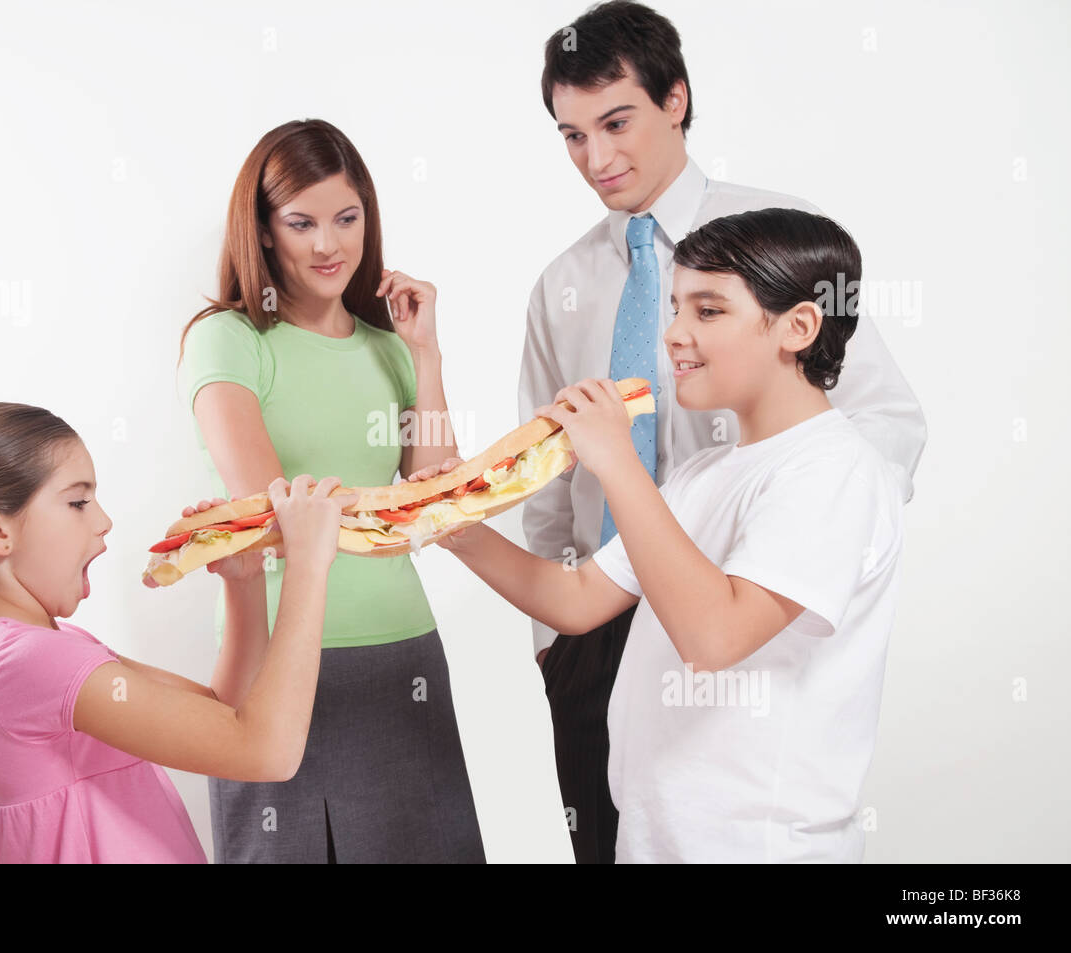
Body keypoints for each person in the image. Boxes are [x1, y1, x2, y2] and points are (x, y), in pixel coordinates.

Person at [520, 0, 927, 862]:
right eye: (571, 134)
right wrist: (557, 642)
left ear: (675, 99)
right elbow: (549, 479)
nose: (597, 157)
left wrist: (806, 552)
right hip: (604, 624)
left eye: (616, 121)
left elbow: (882, 420)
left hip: (750, 613)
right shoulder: (563, 281)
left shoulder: (780, 246)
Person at [448, 208, 904, 862]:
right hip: (657, 837)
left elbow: (714, 636)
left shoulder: (836, 470)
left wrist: (615, 459)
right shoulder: (701, 475)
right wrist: (453, 524)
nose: (673, 334)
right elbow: (577, 599)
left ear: (799, 327)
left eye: (708, 311)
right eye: (674, 307)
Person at [0, 400, 353, 863]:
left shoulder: (42, 649)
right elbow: (266, 752)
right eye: (78, 502)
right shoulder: (24, 662)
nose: (104, 521)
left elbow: (228, 716)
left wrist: (244, 586)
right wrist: (308, 564)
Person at [177, 119, 484, 862]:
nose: (328, 244)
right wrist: (392, 512)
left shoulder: (389, 346)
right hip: (282, 662)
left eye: (347, 218)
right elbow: (268, 508)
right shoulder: (228, 339)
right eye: (301, 222)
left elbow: (436, 498)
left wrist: (426, 352)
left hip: (402, 655)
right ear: (263, 229)